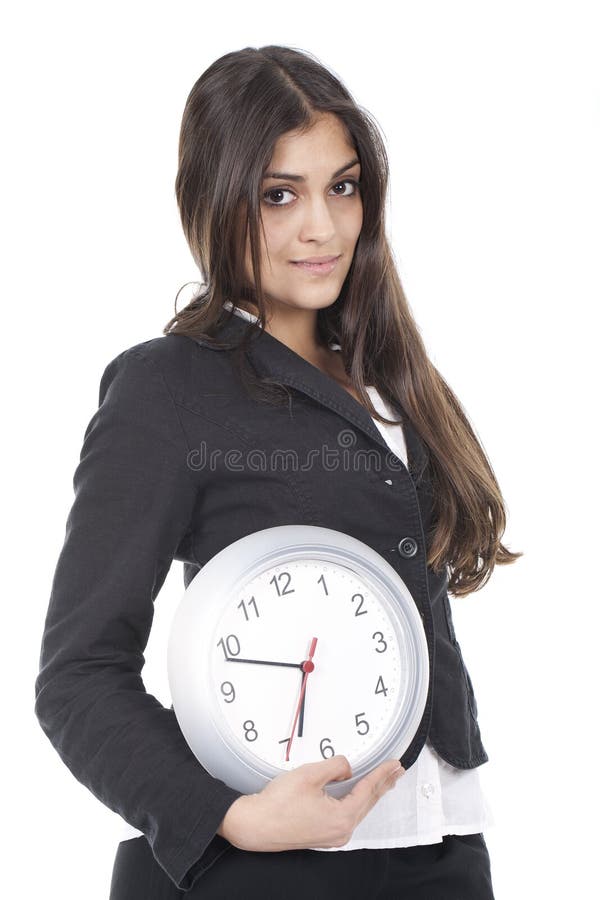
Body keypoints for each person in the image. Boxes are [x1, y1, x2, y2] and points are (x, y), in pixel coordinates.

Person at [34, 45, 519, 899]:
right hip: (267, 867)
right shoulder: (169, 386)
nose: (322, 227)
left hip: (443, 849)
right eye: (278, 194)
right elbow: (77, 674)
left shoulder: (393, 378)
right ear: (212, 203)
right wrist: (223, 813)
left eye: (343, 186)